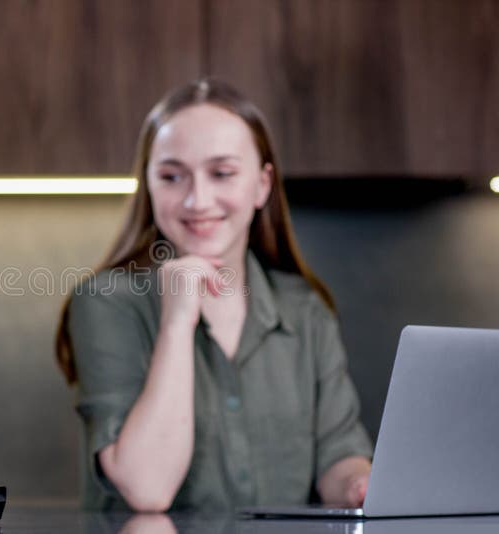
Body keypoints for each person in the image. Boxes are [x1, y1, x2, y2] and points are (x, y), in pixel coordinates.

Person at [55, 78, 373, 512]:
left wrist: (360, 484)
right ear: (148, 185)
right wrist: (176, 320)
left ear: (262, 185)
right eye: (171, 176)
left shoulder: (305, 310)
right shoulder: (106, 301)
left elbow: (338, 455)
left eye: (222, 173)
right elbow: (147, 488)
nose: (197, 199)